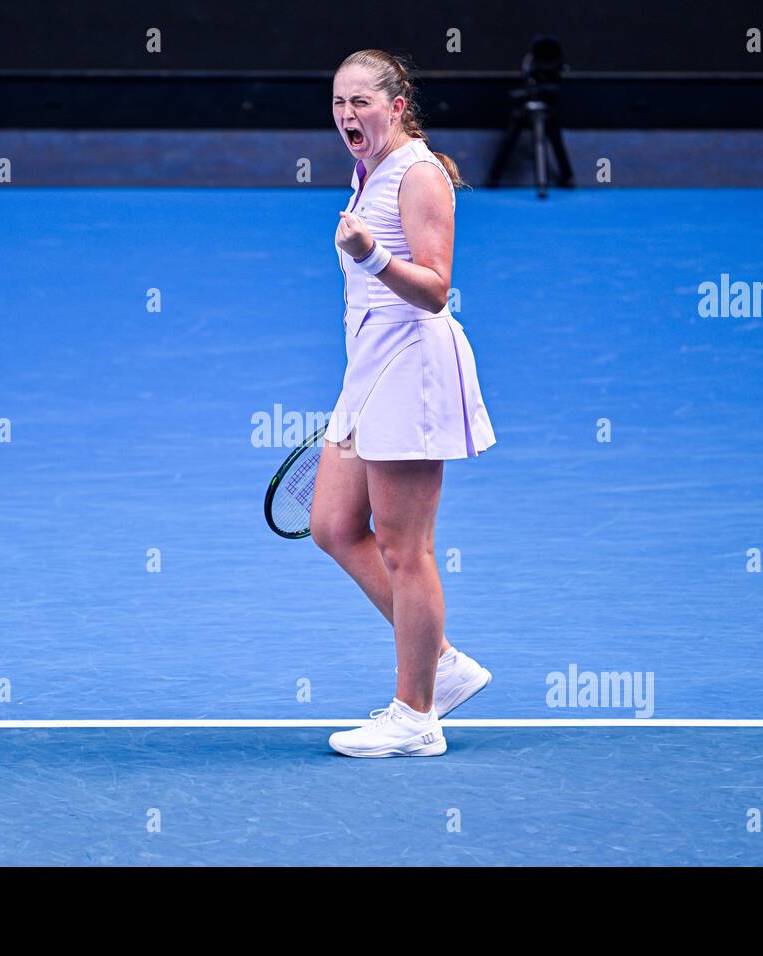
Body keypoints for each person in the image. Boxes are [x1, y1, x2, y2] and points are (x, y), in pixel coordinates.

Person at [313, 49, 497, 757]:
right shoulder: (369, 169)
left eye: (361, 101)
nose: (347, 115)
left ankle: (416, 716)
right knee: (332, 523)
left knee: (403, 546)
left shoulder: (419, 175)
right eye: (338, 103)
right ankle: (441, 662)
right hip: (368, 367)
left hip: (412, 368)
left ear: (396, 105)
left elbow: (436, 287)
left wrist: (370, 256)